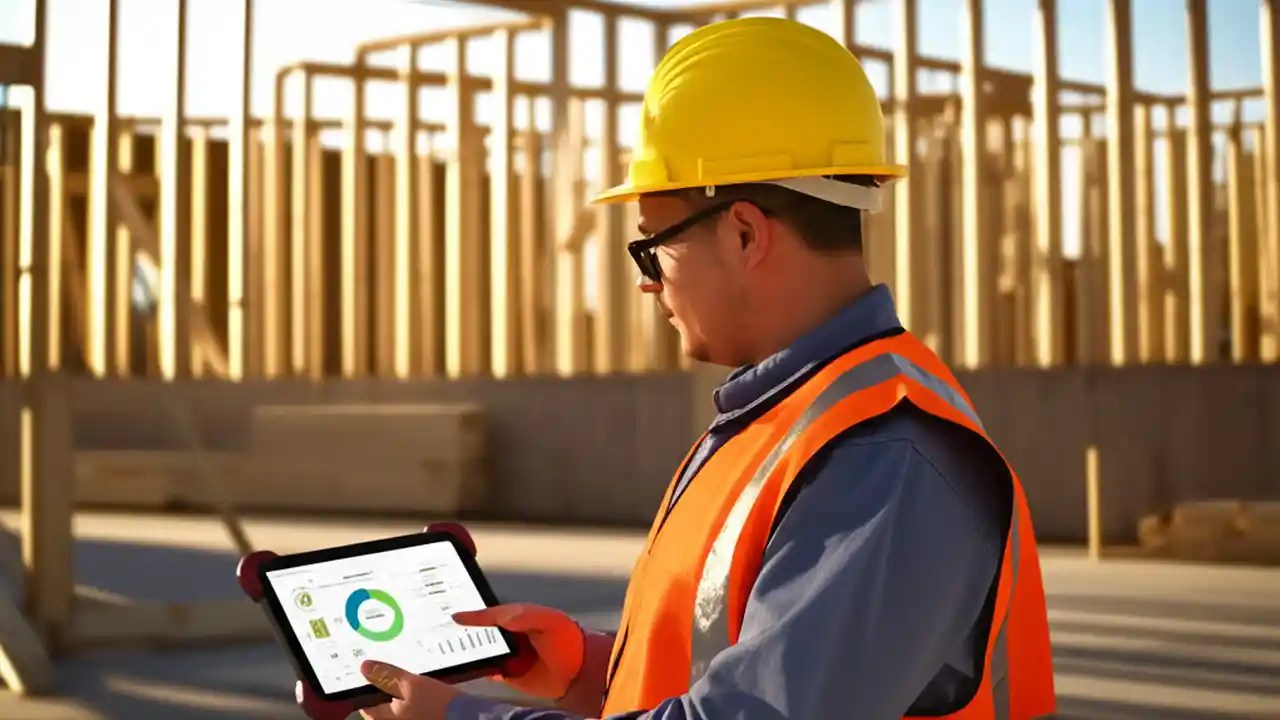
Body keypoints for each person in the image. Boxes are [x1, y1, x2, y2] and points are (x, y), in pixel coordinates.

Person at [353, 16, 1057, 720]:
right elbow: (739, 666)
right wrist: (589, 668)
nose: (648, 281)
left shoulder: (886, 457)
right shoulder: (787, 420)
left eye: (652, 245)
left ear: (745, 232)